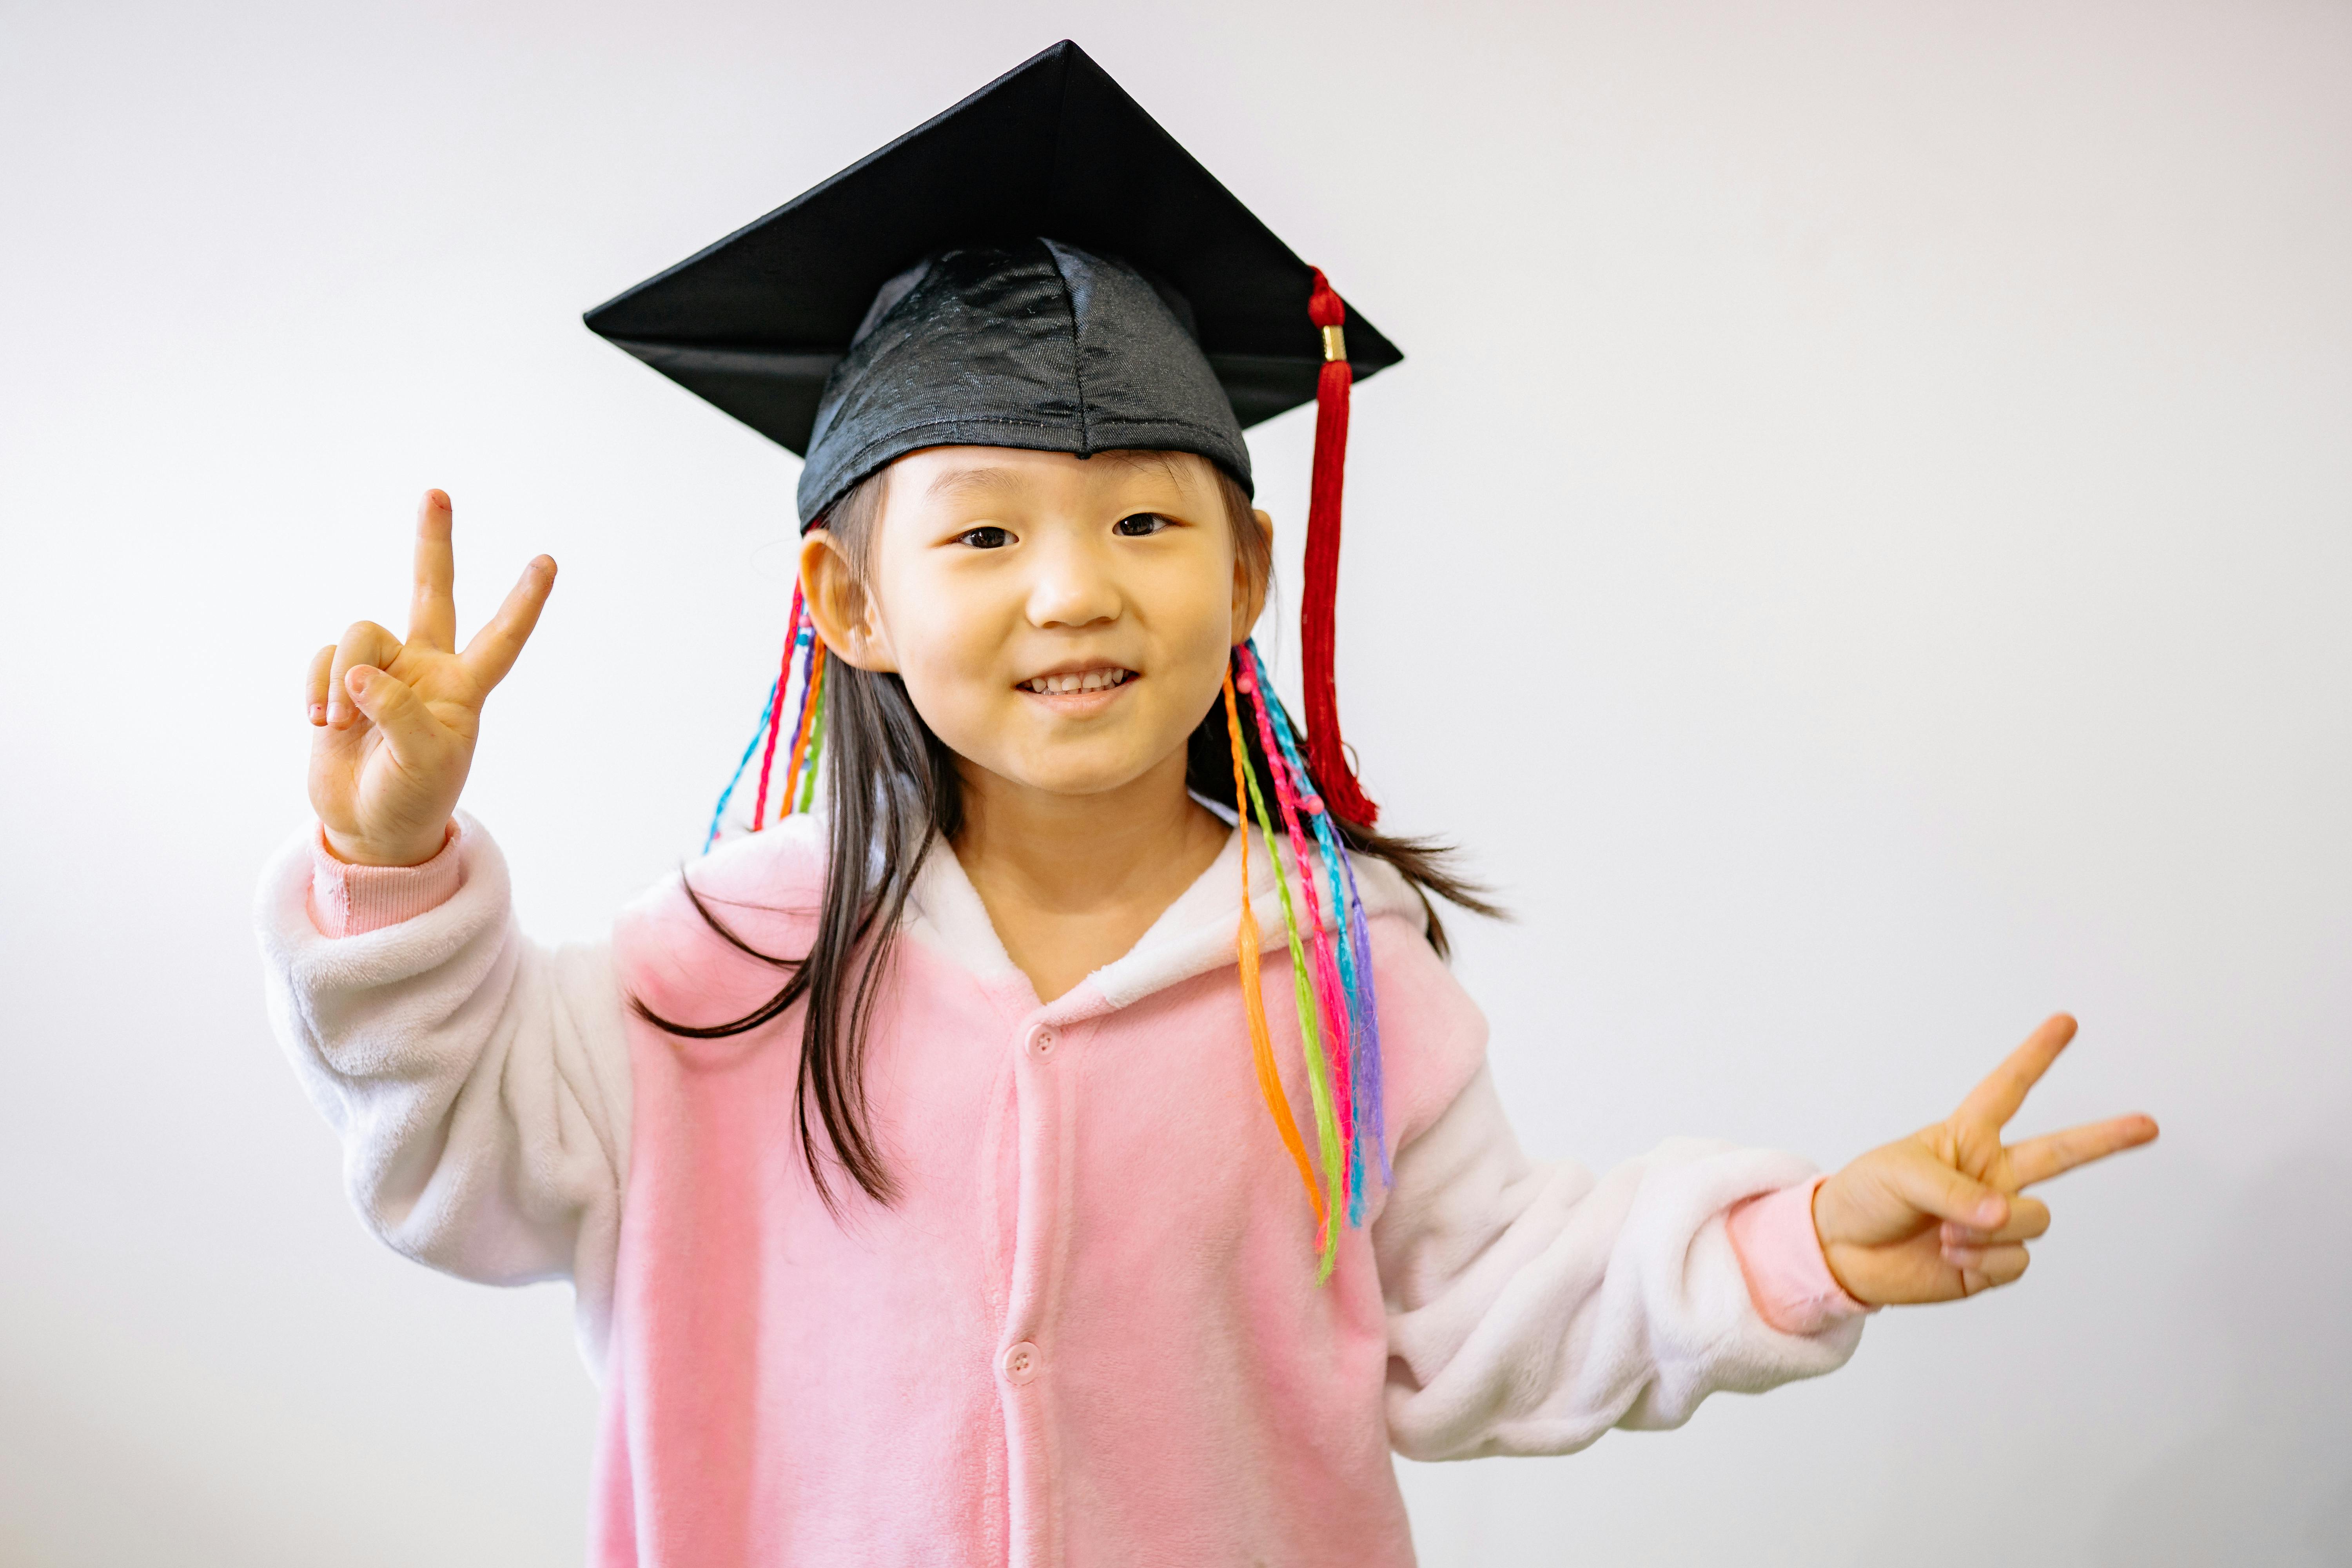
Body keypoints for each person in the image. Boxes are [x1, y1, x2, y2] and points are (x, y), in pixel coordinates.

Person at [257, 41, 2158, 1568]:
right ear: (849, 604)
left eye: (1146, 523)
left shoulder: (1333, 966)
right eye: (984, 531)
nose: (1075, 590)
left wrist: (1806, 1236)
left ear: (1246, 573)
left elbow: (1497, 1295)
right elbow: (460, 1175)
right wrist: (392, 859)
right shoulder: (723, 961)